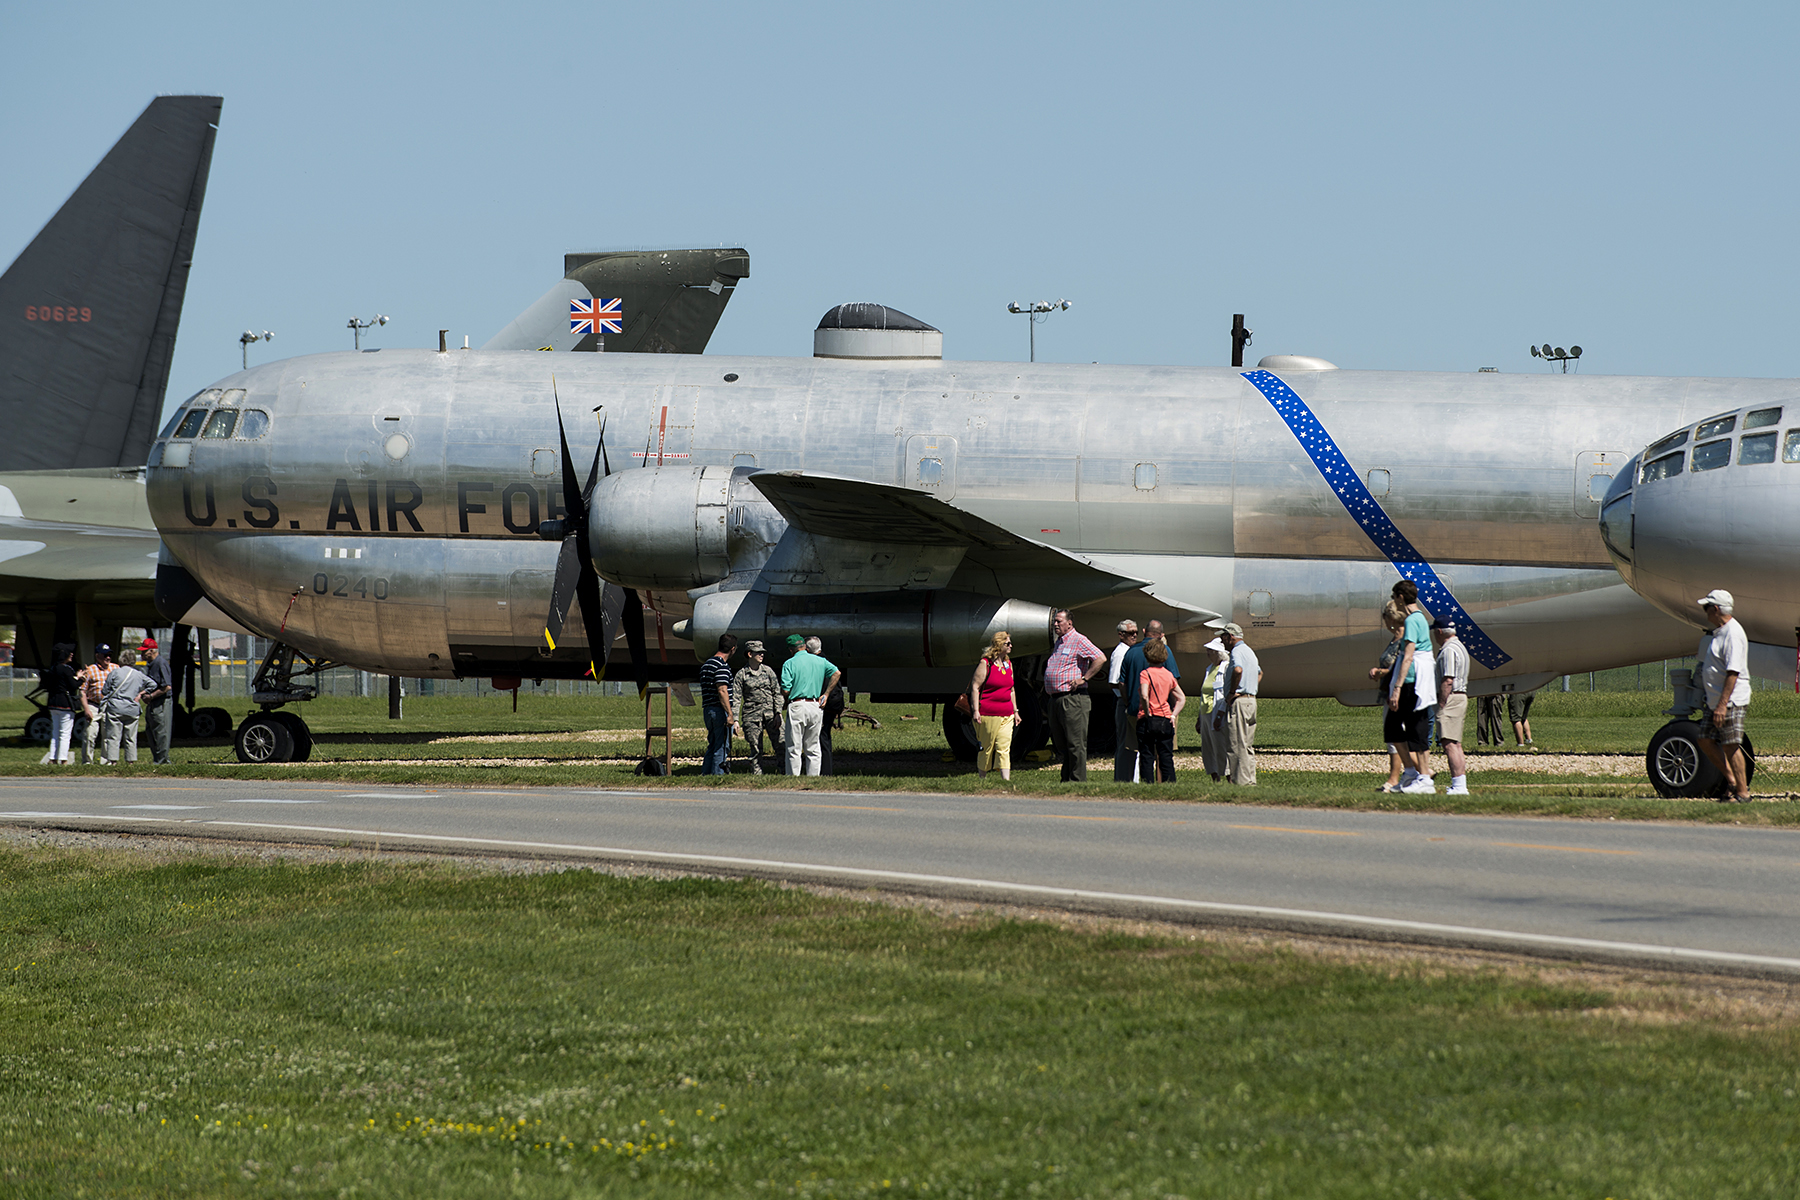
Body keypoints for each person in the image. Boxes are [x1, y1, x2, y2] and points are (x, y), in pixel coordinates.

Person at [1694, 588, 1752, 802]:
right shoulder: (1721, 632)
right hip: (1716, 700)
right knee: (1705, 739)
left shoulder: (1733, 634)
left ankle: (1743, 793)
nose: (1705, 612)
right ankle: (1732, 781)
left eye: (1706, 607)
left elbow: (1733, 672)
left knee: (1730, 744)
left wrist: (1722, 705)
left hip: (1730, 701)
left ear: (1716, 609)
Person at [1042, 610, 1105, 782]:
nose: (1055, 624)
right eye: (1054, 621)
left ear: (1069, 623)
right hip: (1056, 699)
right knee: (1061, 743)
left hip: (1073, 699)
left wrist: (1084, 678)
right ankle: (1066, 778)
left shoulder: (1079, 640)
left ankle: (1078, 781)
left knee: (1075, 743)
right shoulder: (1060, 642)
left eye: (1059, 621)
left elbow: (1100, 658)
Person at [1386, 580, 1437, 794]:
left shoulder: (1413, 621)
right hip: (1411, 680)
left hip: (1412, 682)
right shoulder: (1419, 618)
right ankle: (1410, 772)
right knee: (1392, 727)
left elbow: (1408, 656)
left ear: (1400, 597)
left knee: (1416, 728)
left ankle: (1424, 778)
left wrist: (1397, 687)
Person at [1117, 620, 1182, 782]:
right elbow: (1175, 683)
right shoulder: (1165, 651)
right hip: (1163, 713)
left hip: (1136, 711)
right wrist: (1173, 713)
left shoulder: (1130, 652)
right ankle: (1164, 783)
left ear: (1144, 631)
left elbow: (1122, 683)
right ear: (1161, 635)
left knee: (1140, 751)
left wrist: (1128, 703)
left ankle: (1134, 782)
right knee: (1163, 753)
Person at [781, 636, 840, 777]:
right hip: (815, 705)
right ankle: (813, 778)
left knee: (794, 746)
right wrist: (826, 693)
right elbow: (836, 673)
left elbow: (786, 690)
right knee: (813, 747)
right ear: (804, 646)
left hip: (797, 704)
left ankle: (793, 777)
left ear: (791, 649)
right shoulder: (820, 660)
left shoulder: (789, 663)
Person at [968, 631, 1021, 782]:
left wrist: (1015, 711)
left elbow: (1011, 690)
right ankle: (982, 778)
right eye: (1007, 644)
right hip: (988, 713)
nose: (1011, 646)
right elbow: (975, 687)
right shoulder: (986, 663)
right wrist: (976, 711)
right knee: (986, 748)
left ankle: (1006, 780)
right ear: (999, 645)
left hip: (1007, 714)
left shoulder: (1008, 663)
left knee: (1004, 748)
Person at [1368, 601, 1407, 793]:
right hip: (1388, 692)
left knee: (1396, 735)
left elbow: (1398, 668)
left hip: (1397, 694)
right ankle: (1408, 773)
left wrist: (1380, 672)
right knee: (1392, 736)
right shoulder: (1394, 640)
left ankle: (1397, 777)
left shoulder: (1402, 642)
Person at [731, 640, 785, 775]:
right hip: (752, 715)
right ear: (750, 654)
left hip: (771, 714)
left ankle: (784, 770)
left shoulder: (768, 671)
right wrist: (735, 720)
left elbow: (777, 693)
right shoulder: (742, 675)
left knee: (780, 743)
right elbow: (737, 698)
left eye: (762, 652)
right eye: (758, 652)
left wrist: (778, 712)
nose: (762, 655)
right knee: (755, 747)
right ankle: (757, 774)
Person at [1136, 641, 1185, 782]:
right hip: (1165, 718)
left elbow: (1145, 695)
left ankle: (1148, 783)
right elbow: (1181, 698)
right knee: (1166, 756)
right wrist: (1173, 715)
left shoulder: (1145, 674)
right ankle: (1170, 783)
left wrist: (1147, 711)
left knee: (1147, 755)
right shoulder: (1169, 675)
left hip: (1148, 719)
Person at [1218, 623, 1261, 785]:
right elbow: (1259, 672)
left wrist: (1232, 693)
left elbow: (1238, 670)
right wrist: (1250, 688)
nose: (1222, 641)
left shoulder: (1237, 651)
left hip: (1239, 702)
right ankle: (1250, 780)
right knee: (1247, 745)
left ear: (1230, 636)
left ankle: (1240, 782)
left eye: (1223, 637)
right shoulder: (1249, 651)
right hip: (1251, 700)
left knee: (1236, 744)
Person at [1432, 618, 1471, 795]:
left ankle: (1459, 786)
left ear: (1439, 631)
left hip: (1451, 698)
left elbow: (1448, 679)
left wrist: (1441, 702)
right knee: (1456, 743)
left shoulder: (1448, 650)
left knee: (1449, 744)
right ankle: (1459, 783)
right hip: (1460, 696)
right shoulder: (1460, 647)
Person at [98, 657, 155, 764]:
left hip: (115, 707)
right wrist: (141, 693)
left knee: (113, 736)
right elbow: (153, 684)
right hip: (132, 708)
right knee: (131, 737)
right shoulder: (139, 674)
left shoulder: (115, 673)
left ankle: (113, 761)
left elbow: (105, 691)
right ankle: (130, 761)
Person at [1107, 620, 1141, 781]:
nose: (1134, 635)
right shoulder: (1121, 653)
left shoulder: (1129, 650)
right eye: (1130, 633)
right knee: (1125, 744)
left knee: (1132, 744)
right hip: (1124, 702)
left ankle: (1131, 778)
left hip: (1129, 702)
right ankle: (1123, 779)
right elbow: (1115, 681)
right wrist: (1128, 701)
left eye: (1136, 632)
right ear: (1121, 635)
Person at [699, 634, 737, 775]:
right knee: (722, 746)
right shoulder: (722, 666)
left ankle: (706, 774)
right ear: (732, 649)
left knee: (713, 744)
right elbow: (722, 690)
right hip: (719, 710)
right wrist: (730, 714)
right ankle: (717, 775)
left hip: (708, 709)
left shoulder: (706, 665)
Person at [1196, 637, 1229, 781]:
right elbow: (1204, 693)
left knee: (1221, 747)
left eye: (1211, 651)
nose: (1208, 653)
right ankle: (1215, 778)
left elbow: (1225, 692)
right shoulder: (1209, 669)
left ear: (1219, 653)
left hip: (1217, 711)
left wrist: (1221, 713)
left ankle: (1229, 777)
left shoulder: (1226, 668)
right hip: (1205, 713)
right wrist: (1199, 718)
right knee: (1208, 749)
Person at [76, 644, 115, 765]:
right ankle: (87, 761)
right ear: (97, 656)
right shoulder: (91, 670)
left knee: (108, 734)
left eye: (109, 655)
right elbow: (82, 691)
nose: (108, 658)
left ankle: (106, 761)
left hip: (109, 705)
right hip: (93, 705)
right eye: (105, 655)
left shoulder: (115, 668)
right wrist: (86, 709)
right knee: (90, 734)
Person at [138, 637, 174, 765]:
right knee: (150, 730)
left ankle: (163, 760)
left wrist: (151, 696)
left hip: (162, 703)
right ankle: (157, 758)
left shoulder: (160, 663)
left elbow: (167, 686)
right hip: (153, 702)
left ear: (152, 651)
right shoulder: (151, 664)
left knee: (161, 731)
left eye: (144, 651)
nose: (142, 654)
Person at [42, 643, 78, 766]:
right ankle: (63, 759)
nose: (72, 654)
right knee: (65, 733)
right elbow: (73, 686)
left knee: (55, 732)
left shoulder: (52, 669)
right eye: (69, 652)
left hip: (52, 703)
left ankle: (52, 757)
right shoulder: (67, 670)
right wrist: (80, 678)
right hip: (65, 703)